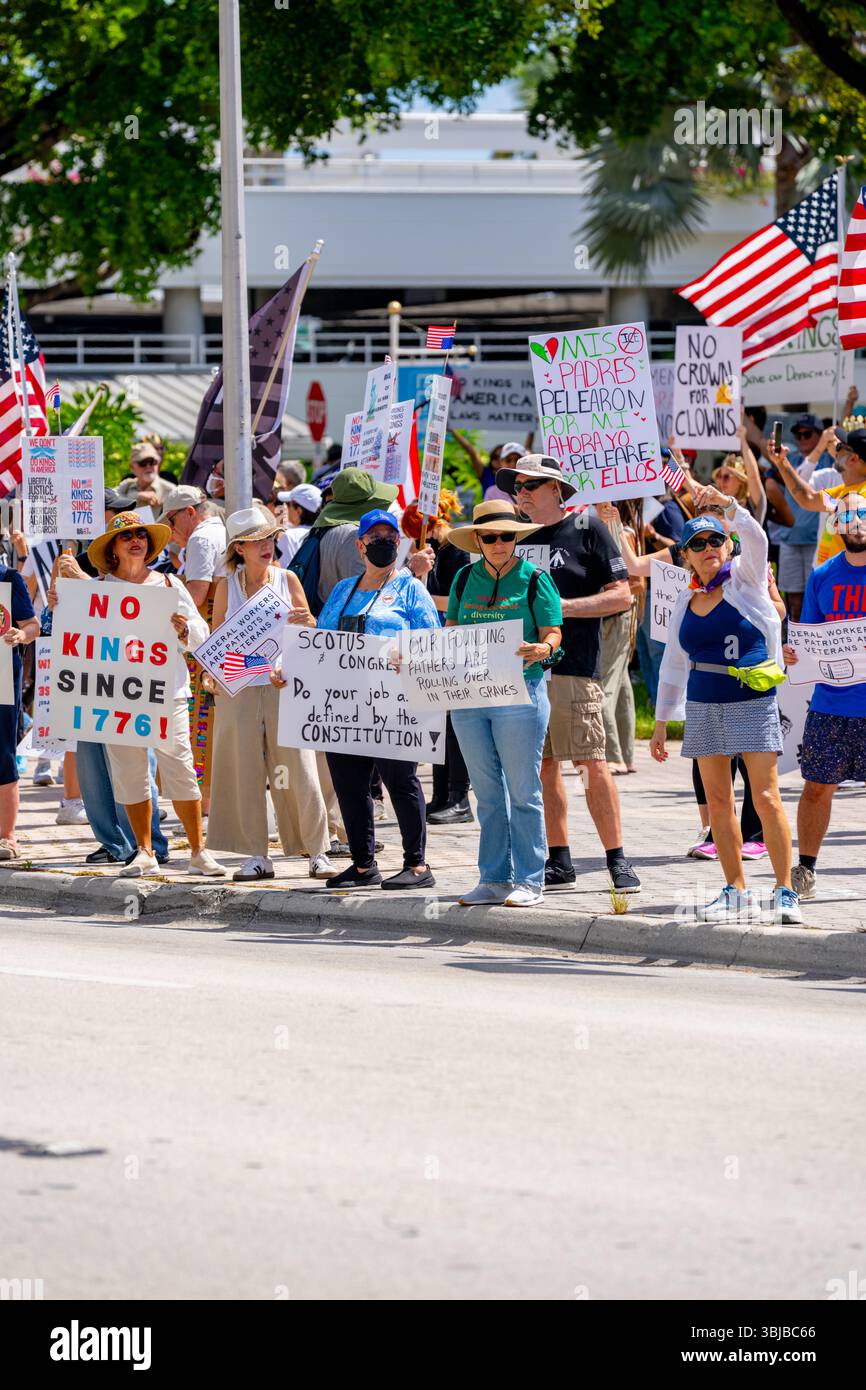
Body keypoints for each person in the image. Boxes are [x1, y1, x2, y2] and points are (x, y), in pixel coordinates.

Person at [650, 491, 800, 925]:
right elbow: (674, 665)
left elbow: (758, 541)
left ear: (727, 545)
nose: (708, 549)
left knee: (766, 797)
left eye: (715, 541)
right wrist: (660, 723)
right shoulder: (685, 601)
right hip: (703, 704)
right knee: (718, 802)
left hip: (751, 701)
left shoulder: (746, 582)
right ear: (686, 556)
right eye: (697, 544)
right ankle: (735, 889)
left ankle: (785, 889)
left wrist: (730, 508)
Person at [496, 453, 641, 895]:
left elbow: (623, 596)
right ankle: (559, 859)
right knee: (541, 765)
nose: (520, 494)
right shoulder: (509, 536)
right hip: (521, 670)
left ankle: (617, 859)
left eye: (529, 486)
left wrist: (561, 610)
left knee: (592, 763)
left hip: (574, 667)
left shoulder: (586, 529)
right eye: (516, 487)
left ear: (556, 489)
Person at [279, 508, 440, 892]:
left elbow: (432, 640)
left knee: (400, 781)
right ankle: (364, 864)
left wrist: (407, 652)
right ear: (360, 545)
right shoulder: (342, 590)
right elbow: (325, 641)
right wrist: (296, 652)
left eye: (390, 537)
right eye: (375, 537)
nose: (383, 543)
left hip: (394, 706)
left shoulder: (410, 588)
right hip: (345, 707)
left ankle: (417, 865)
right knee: (350, 784)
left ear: (398, 544)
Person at [75, 512, 225, 878]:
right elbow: (77, 635)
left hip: (165, 692)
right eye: (127, 536)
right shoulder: (98, 591)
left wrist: (183, 629)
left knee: (181, 769)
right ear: (113, 548)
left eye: (141, 534)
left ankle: (198, 851)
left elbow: (201, 636)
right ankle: (144, 850)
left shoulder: (170, 585)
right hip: (117, 695)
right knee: (130, 773)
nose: (135, 540)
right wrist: (61, 601)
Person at [205, 509, 334, 882]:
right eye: (258, 540)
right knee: (243, 770)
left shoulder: (287, 578)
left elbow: (308, 630)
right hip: (240, 688)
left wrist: (306, 623)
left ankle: (317, 850)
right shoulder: (225, 586)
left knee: (299, 768)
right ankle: (255, 854)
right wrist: (223, 674)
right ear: (239, 547)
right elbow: (219, 645)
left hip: (286, 686)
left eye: (270, 538)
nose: (267, 545)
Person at [445, 499, 562, 907]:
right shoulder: (462, 578)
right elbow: (452, 630)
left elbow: (553, 633)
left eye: (507, 536)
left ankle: (530, 880)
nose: (499, 543)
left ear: (516, 538)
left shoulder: (535, 579)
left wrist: (542, 648)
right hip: (470, 696)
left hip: (521, 693)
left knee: (523, 791)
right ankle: (493, 878)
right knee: (488, 793)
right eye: (491, 536)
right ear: (477, 539)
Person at [785, 496, 866, 900]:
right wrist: (793, 653)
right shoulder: (822, 577)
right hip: (830, 705)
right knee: (816, 788)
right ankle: (806, 869)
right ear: (837, 526)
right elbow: (811, 639)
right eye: (848, 518)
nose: (856, 525)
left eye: (862, 516)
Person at [159, 485, 227, 811]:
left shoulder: (201, 538)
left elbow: (196, 598)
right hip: (221, 633)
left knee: (201, 716)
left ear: (189, 512)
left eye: (172, 520)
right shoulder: (220, 530)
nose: (171, 530)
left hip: (205, 635)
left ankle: (204, 801)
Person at [768, 428, 866, 571]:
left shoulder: (861, 496)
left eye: (840, 447)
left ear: (853, 459)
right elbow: (807, 499)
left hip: (847, 581)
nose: (835, 451)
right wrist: (781, 461)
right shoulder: (843, 492)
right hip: (827, 575)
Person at [0, 562, 39, 860]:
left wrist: (21, 635)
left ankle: (6, 836)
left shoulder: (8, 578)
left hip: (1, 678)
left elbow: (32, 624)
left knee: (2, 753)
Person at [114, 440, 175, 510]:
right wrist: (137, 495)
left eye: (152, 462)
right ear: (131, 467)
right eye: (143, 463)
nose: (148, 466)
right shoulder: (127, 485)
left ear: (158, 463)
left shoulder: (170, 490)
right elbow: (107, 499)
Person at [276, 482, 322, 567]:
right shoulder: (325, 533)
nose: (285, 507)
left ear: (299, 510)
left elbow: (285, 574)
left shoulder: (290, 537)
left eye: (288, 504)